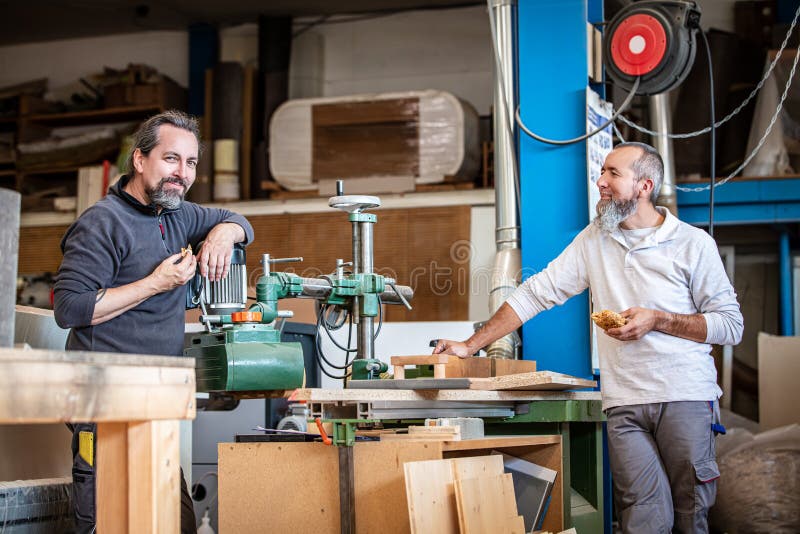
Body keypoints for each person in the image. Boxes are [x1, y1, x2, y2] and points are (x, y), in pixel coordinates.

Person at [434, 142, 743, 534]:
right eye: (602, 172)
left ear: (644, 185)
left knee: (690, 514)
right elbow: (536, 292)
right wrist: (469, 345)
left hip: (685, 396)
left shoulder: (693, 244)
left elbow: (730, 326)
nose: (601, 182)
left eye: (614, 174)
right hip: (625, 402)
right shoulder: (595, 239)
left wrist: (658, 319)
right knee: (642, 518)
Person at [54, 110, 254, 533]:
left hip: (155, 409)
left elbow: (240, 221)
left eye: (191, 163)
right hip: (103, 409)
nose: (181, 173)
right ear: (140, 160)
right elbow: (69, 308)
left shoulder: (177, 214)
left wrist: (223, 233)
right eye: (171, 159)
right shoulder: (102, 223)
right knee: (107, 522)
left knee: (174, 524)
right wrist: (155, 283)